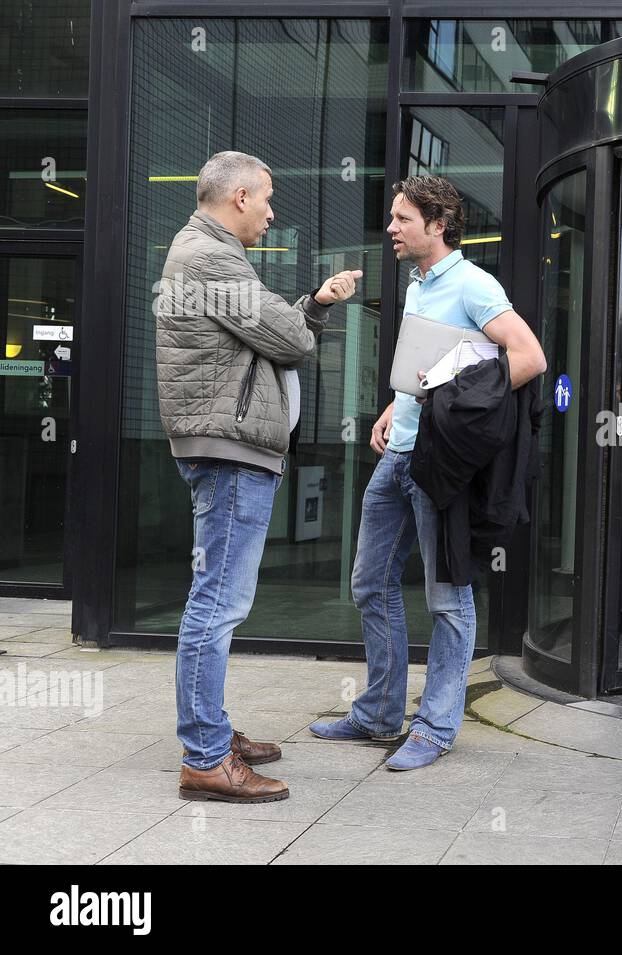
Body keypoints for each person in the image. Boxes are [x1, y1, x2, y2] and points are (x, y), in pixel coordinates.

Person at [310, 175, 546, 771]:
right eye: (393, 217)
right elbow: (428, 366)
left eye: (402, 219)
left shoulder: (474, 284)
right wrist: (397, 405)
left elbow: (529, 357)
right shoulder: (418, 285)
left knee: (447, 598)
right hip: (399, 455)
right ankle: (378, 714)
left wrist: (451, 398)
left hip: (439, 463)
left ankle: (436, 727)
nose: (391, 228)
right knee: (370, 583)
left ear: (438, 225)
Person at [156, 150, 361, 802]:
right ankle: (205, 757)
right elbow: (290, 339)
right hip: (230, 451)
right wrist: (311, 313)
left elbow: (277, 329)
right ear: (240, 196)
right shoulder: (209, 258)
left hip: (233, 448)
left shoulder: (210, 254)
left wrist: (312, 305)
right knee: (217, 604)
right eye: (267, 199)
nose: (272, 213)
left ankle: (211, 732)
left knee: (217, 600)